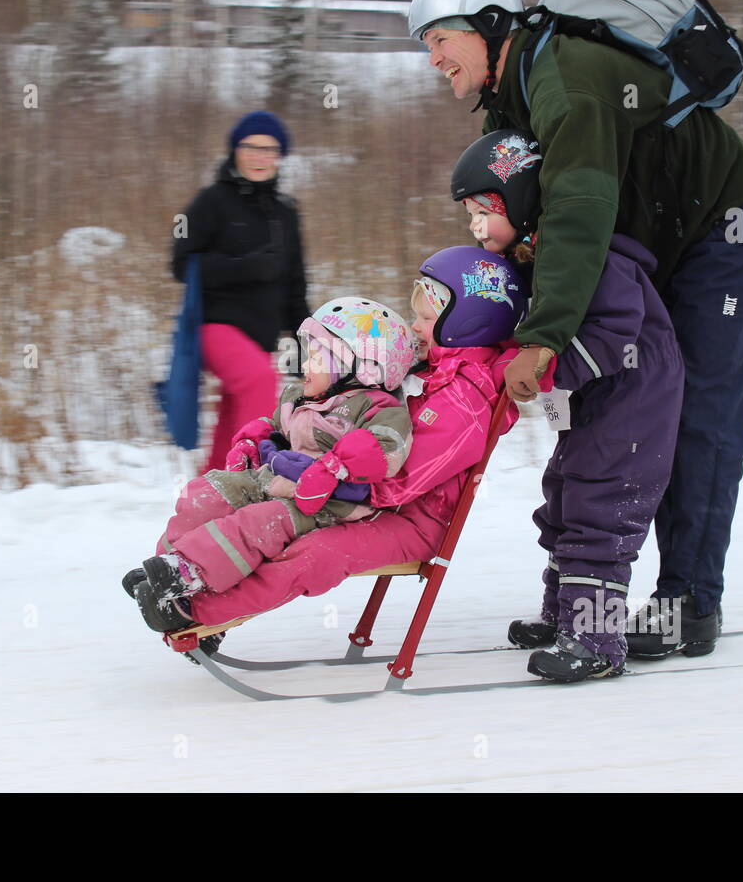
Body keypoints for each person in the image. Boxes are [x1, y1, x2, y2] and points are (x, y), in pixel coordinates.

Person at [408, 0, 743, 658]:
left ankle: (689, 603)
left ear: (490, 29)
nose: (432, 57)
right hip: (654, 242)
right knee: (619, 402)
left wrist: (546, 336)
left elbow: (579, 210)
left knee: (696, 408)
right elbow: (520, 221)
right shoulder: (510, 98)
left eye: (440, 37)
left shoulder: (563, 81)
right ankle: (586, 598)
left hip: (725, 231)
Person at [126, 247, 528, 638]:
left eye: (425, 317)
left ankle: (196, 611)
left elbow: (400, 478)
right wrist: (279, 446)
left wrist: (319, 473)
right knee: (226, 496)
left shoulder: (465, 401)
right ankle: (175, 570)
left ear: (471, 320)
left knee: (314, 551)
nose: (415, 326)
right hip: (351, 492)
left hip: (409, 519)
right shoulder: (431, 367)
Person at [451, 129, 684, 681]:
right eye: (469, 214)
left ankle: (597, 640)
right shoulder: (537, 259)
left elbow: (612, 335)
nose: (476, 225)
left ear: (523, 201)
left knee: (598, 511)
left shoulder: (592, 259)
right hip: (593, 406)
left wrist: (546, 369)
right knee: (562, 499)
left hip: (634, 402)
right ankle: (564, 617)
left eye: (483, 210)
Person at [130, 297, 416, 632]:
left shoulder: (378, 409)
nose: (305, 364)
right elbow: (276, 425)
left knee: (258, 524)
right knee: (209, 491)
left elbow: (385, 449)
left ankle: (189, 575)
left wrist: (334, 467)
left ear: (362, 367)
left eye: (315, 357)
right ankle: (168, 563)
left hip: (326, 502)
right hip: (277, 479)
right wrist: (254, 439)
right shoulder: (301, 398)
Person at [171, 111, 310, 474]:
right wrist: (246, 266)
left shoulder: (285, 213)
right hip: (214, 327)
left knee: (232, 421)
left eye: (270, 149)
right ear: (235, 151)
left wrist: (305, 341)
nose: (260, 156)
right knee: (261, 384)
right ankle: (248, 478)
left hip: (260, 337)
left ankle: (210, 489)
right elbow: (181, 263)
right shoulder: (212, 201)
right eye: (251, 147)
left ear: (280, 156)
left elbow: (296, 284)